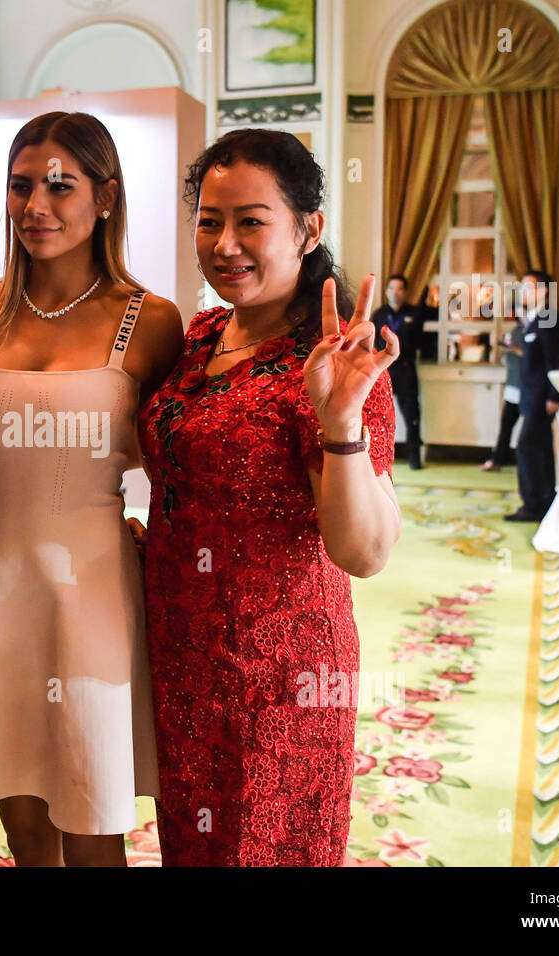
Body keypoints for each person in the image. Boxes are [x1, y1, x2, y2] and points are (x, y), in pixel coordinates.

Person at [0, 112, 182, 866]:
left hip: (92, 598)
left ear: (105, 197)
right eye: (21, 185)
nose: (36, 205)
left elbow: (181, 469)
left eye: (61, 186)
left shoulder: (151, 321)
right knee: (24, 832)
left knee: (94, 827)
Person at [138, 129, 400, 866]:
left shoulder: (338, 364)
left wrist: (341, 423)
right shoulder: (199, 336)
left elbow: (364, 550)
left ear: (308, 228)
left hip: (279, 679)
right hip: (182, 660)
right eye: (210, 220)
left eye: (251, 221)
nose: (225, 244)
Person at [505, 269, 559, 521]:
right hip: (530, 394)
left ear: (544, 291)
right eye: (522, 287)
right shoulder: (532, 318)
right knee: (540, 448)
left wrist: (555, 396)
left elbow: (555, 360)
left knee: (526, 447)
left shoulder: (549, 318)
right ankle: (545, 502)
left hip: (543, 397)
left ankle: (532, 505)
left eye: (529, 287)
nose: (524, 292)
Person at [371, 273, 423, 469]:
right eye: (392, 288)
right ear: (386, 291)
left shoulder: (414, 314)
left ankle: (415, 458)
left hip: (406, 370)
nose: (396, 292)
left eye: (400, 288)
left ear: (405, 292)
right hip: (384, 371)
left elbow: (418, 342)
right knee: (379, 414)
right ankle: (378, 456)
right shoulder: (379, 315)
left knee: (412, 415)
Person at [482, 315, 525, 471]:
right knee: (506, 425)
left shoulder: (538, 329)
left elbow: (533, 356)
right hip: (513, 384)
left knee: (529, 430)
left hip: (527, 387)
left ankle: (525, 462)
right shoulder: (517, 330)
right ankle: (499, 458)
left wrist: (516, 350)